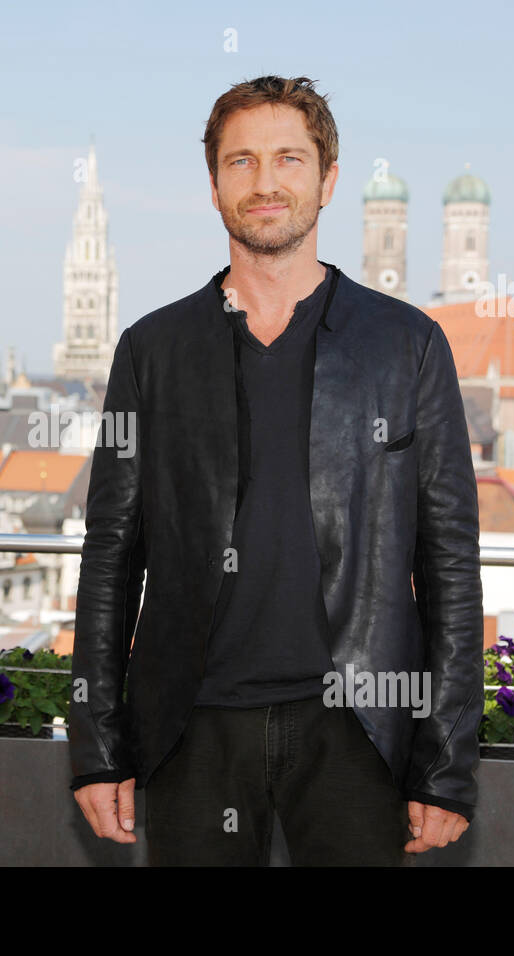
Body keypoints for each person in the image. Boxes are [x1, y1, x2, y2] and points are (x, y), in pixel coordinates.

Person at [69, 75, 483, 866]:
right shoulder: (151, 352)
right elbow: (110, 559)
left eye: (289, 159)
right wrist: (96, 744)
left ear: (327, 181)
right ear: (215, 184)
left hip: (360, 730)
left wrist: (446, 762)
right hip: (191, 730)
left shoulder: (408, 346)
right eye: (241, 162)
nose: (265, 182)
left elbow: (450, 567)